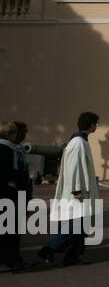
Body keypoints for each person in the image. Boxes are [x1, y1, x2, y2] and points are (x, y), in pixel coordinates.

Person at [39, 111, 101, 267]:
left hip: (80, 192)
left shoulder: (80, 142)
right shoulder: (78, 143)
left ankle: (73, 255)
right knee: (76, 225)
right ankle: (50, 248)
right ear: (92, 124)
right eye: (96, 124)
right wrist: (77, 190)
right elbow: (73, 168)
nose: (97, 126)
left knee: (81, 226)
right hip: (76, 193)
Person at [1, 121, 33, 272]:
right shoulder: (8, 149)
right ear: (11, 134)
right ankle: (13, 260)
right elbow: (14, 173)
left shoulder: (14, 148)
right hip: (9, 192)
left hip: (10, 192)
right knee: (11, 230)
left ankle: (9, 258)